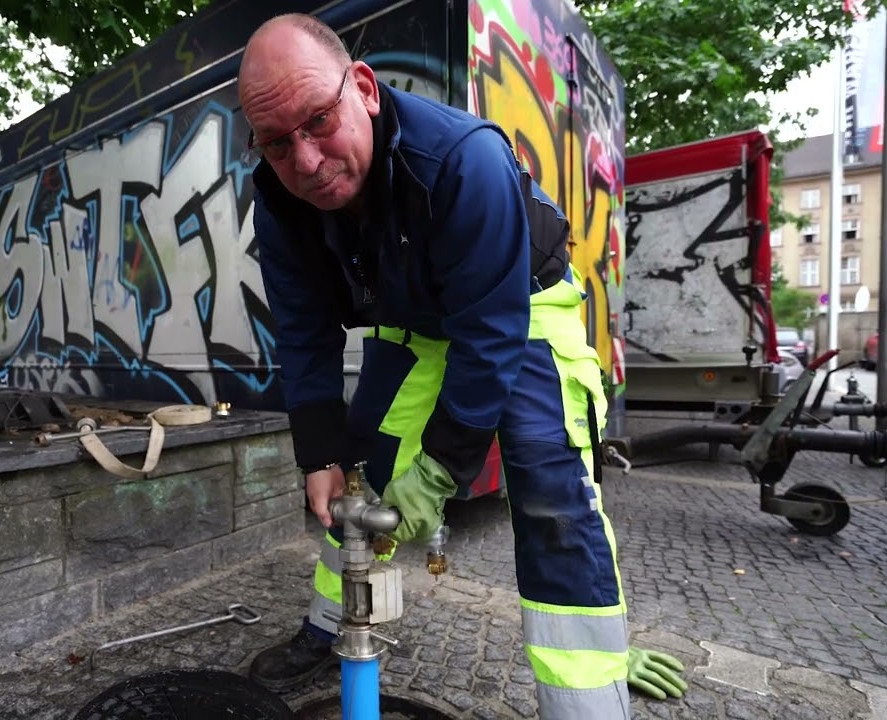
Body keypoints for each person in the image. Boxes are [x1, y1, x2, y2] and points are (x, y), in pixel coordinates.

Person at [237, 13, 687, 718]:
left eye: (319, 122)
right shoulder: (279, 198)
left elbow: (492, 335)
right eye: (276, 143)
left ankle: (589, 695)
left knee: (550, 494)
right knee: (365, 472)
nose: (307, 161)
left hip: (524, 306)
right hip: (418, 320)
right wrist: (319, 454)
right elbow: (304, 335)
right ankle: (330, 627)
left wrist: (442, 473)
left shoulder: (462, 158)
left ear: (364, 89)